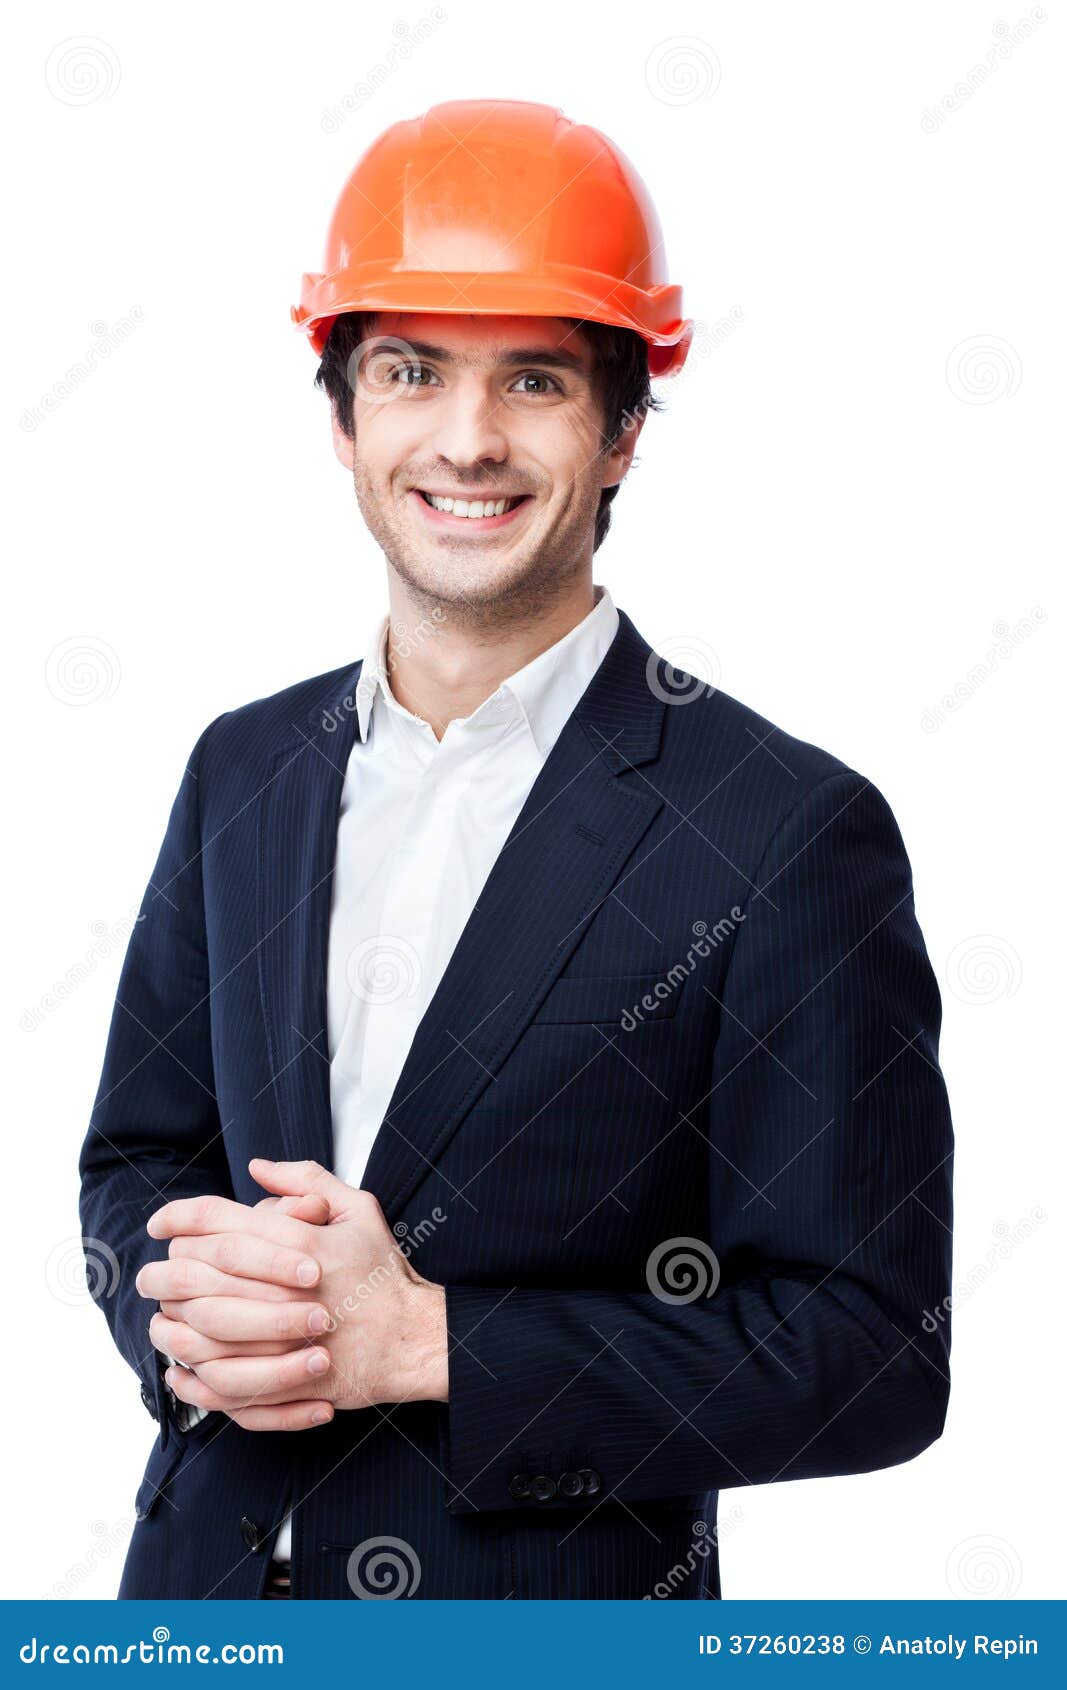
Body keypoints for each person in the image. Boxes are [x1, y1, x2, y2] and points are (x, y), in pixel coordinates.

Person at [79, 99, 953, 1601]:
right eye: (412, 372)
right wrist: (188, 1313)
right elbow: (140, 1155)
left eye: (534, 379)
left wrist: (427, 1341)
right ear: (344, 418)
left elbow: (872, 1347)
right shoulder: (245, 770)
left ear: (619, 433)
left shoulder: (783, 831)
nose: (467, 439)